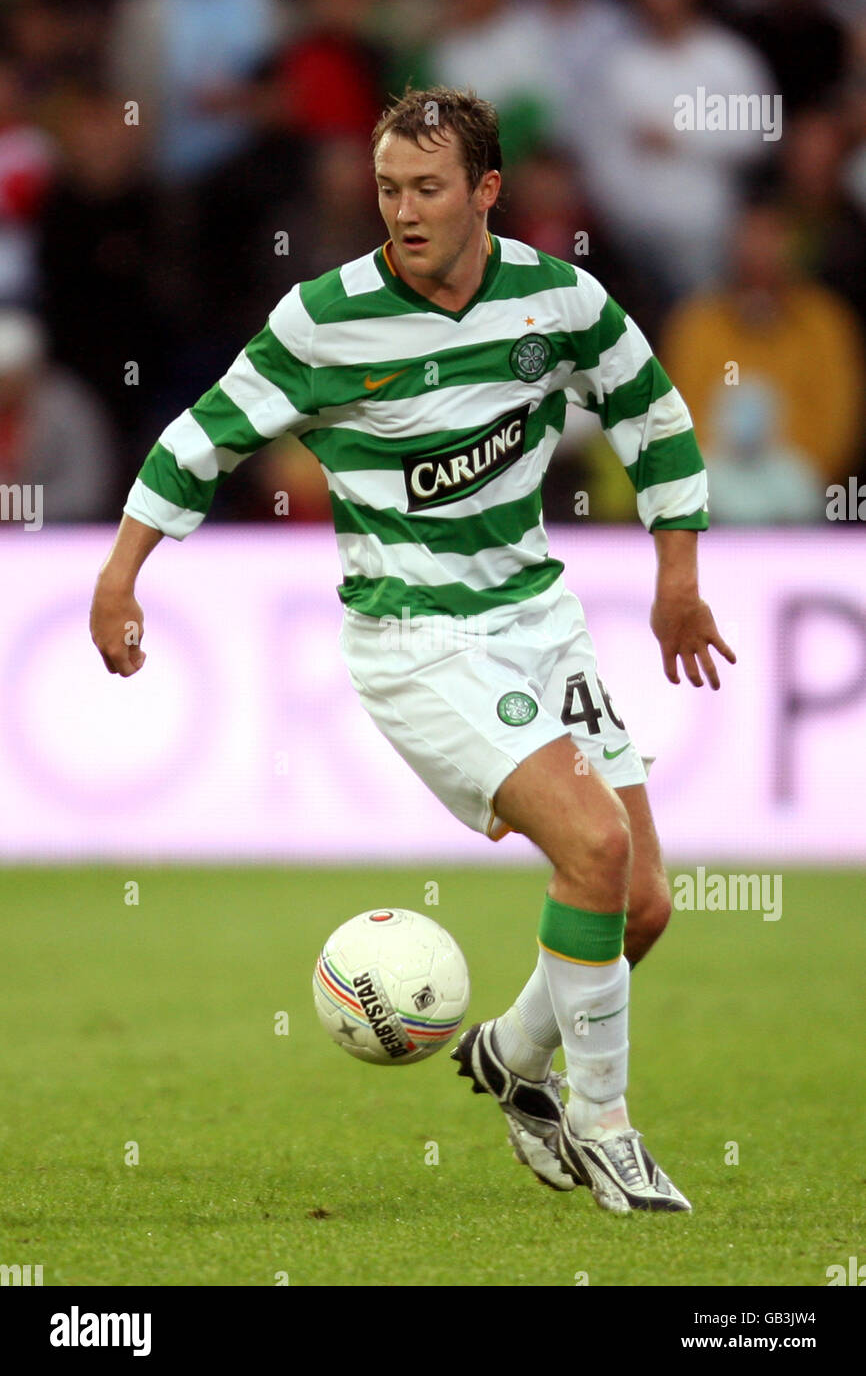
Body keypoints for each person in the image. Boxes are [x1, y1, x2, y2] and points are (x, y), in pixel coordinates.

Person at [90, 87, 735, 1214]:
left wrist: (675, 576)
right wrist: (119, 571)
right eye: (388, 188)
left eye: (428, 188)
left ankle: (509, 1055)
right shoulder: (321, 320)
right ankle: (604, 1122)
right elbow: (196, 441)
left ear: (486, 190)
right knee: (589, 846)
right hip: (415, 635)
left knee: (640, 904)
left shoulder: (557, 300)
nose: (403, 210)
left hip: (537, 616)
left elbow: (656, 416)